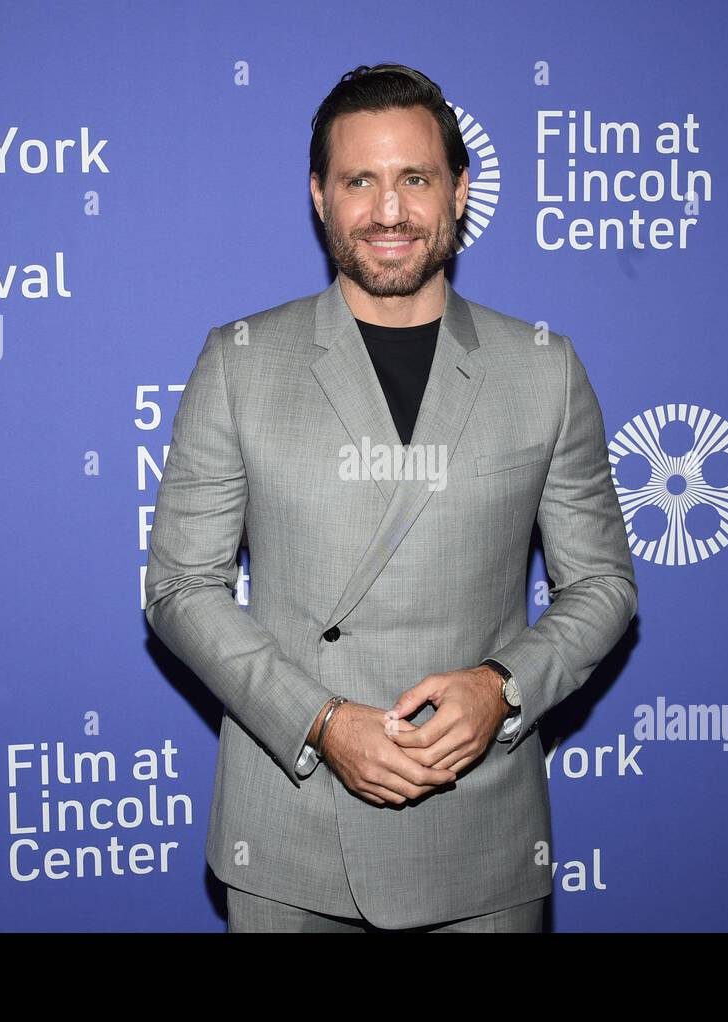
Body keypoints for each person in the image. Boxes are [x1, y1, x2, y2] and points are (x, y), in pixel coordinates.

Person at [144, 63, 637, 932]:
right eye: (358, 181)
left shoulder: (542, 370)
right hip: (293, 834)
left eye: (415, 178)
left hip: (480, 834)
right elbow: (181, 587)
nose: (389, 211)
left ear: (459, 191)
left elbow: (602, 586)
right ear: (319, 197)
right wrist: (323, 722)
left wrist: (501, 688)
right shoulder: (241, 363)